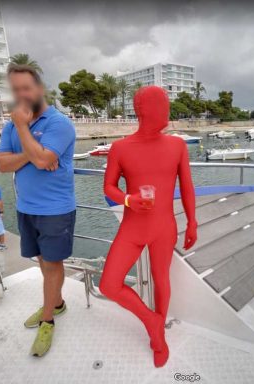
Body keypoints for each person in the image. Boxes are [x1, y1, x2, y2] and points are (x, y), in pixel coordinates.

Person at [99, 86, 198, 368]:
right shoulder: (121, 148)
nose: (168, 110)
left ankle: (159, 338)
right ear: (144, 110)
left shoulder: (177, 145)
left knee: (161, 279)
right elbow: (108, 187)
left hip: (164, 226)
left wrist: (192, 222)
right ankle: (152, 321)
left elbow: (187, 187)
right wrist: (128, 199)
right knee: (109, 285)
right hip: (133, 227)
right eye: (162, 104)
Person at [0, 64, 76, 357]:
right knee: (42, 260)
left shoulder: (59, 123)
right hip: (26, 207)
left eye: (26, 88)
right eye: (15, 89)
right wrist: (34, 153)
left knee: (52, 264)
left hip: (55, 209)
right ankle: (57, 302)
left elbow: (43, 161)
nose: (21, 94)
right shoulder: (10, 126)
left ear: (40, 89)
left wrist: (22, 129)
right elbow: (2, 164)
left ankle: (48, 318)